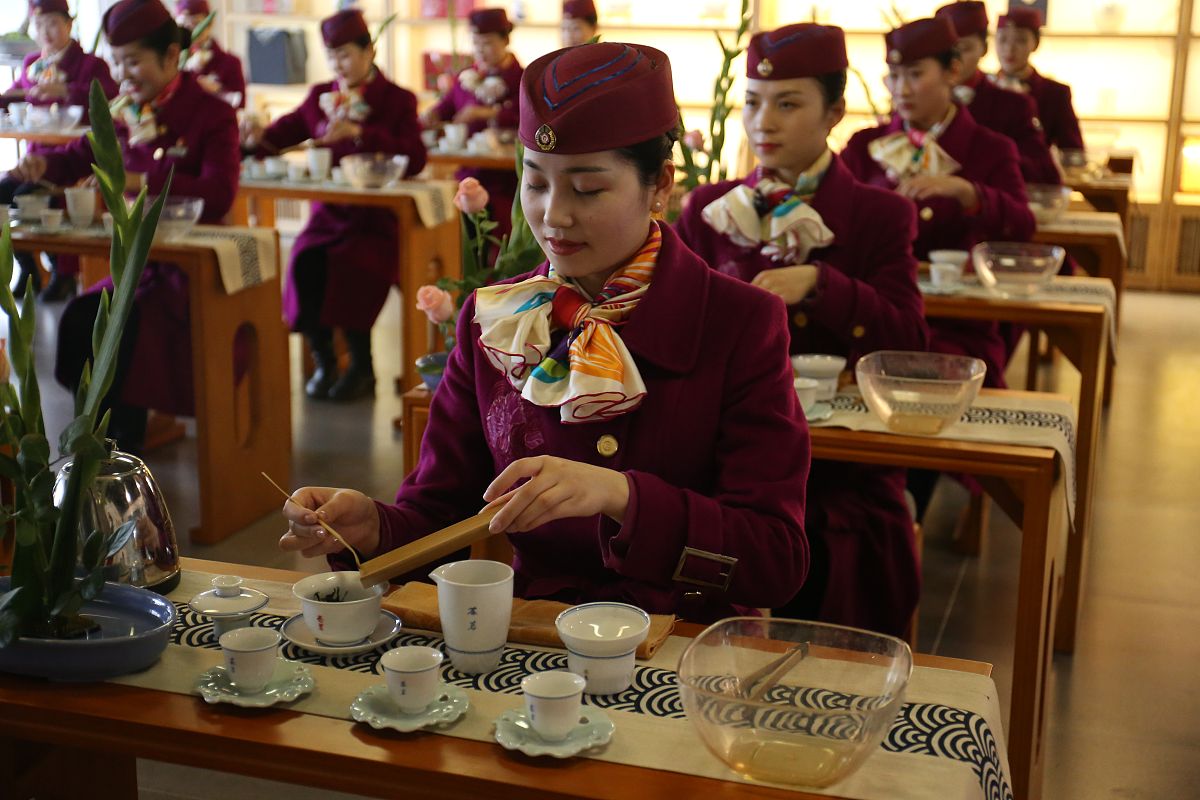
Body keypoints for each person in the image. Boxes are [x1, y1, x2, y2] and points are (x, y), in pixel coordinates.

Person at [281, 42, 810, 622]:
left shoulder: (738, 322)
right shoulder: (500, 319)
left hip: (685, 648)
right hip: (538, 640)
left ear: (660, 184)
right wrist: (374, 527)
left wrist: (621, 497)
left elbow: (775, 561)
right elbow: (443, 511)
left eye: (587, 190)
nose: (554, 216)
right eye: (535, 184)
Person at [676, 24, 925, 636]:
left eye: (789, 103)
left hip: (835, 470)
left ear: (835, 111)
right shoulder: (708, 211)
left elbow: (909, 344)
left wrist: (820, 284)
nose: (765, 121)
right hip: (720, 454)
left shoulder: (878, 214)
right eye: (754, 103)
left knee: (840, 545)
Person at [4, 0, 241, 453]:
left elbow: (220, 193)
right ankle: (100, 443)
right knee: (82, 321)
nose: (123, 73)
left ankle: (121, 448)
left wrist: (139, 180)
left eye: (133, 61)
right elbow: (80, 155)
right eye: (117, 61)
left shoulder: (211, 113)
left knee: (126, 329)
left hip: (189, 271)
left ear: (172, 56)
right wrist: (39, 164)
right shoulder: (122, 110)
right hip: (139, 266)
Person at [241, 8, 426, 402]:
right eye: (331, 56)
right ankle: (325, 360)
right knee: (305, 260)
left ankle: (362, 366)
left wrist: (360, 133)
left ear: (370, 51)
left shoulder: (398, 100)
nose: (337, 65)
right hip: (332, 215)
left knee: (352, 266)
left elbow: (416, 156)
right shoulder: (321, 98)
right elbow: (280, 136)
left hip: (380, 221)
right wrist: (254, 137)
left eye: (345, 54)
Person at [842, 16, 1034, 389]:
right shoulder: (864, 146)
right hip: (873, 318)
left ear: (953, 71)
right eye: (894, 77)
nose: (902, 89)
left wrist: (968, 193)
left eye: (915, 75)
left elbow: (1023, 225)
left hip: (957, 324)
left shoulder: (990, 149)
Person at [1, 0, 118, 301]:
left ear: (69, 24)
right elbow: (15, 94)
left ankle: (63, 272)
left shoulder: (91, 65)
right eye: (39, 25)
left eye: (52, 23)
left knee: (29, 196)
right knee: (4, 192)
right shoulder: (32, 65)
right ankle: (28, 267)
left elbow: (110, 102)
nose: (46, 32)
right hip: (36, 159)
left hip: (73, 161)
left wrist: (66, 91)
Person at [934, 1, 1059, 185]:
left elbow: (1044, 174)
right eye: (945, 53)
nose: (954, 60)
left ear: (984, 48)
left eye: (964, 49)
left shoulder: (1013, 105)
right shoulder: (919, 100)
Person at [421, 8, 522, 234]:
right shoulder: (466, 77)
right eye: (475, 43)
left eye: (487, 43)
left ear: (505, 40)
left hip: (508, 182)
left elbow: (526, 119)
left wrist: (486, 113)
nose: (480, 51)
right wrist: (431, 115)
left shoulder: (523, 78)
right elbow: (445, 109)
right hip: (469, 177)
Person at [993, 6, 1084, 153]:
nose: (1009, 49)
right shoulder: (982, 88)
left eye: (1020, 41)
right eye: (1002, 40)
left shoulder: (1055, 93)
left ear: (1035, 44)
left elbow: (1073, 151)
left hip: (1035, 174)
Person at [175, 0, 246, 108]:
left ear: (209, 23)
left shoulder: (230, 63)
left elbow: (240, 105)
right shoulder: (170, 61)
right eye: (183, 25)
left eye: (196, 24)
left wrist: (217, 90)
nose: (189, 31)